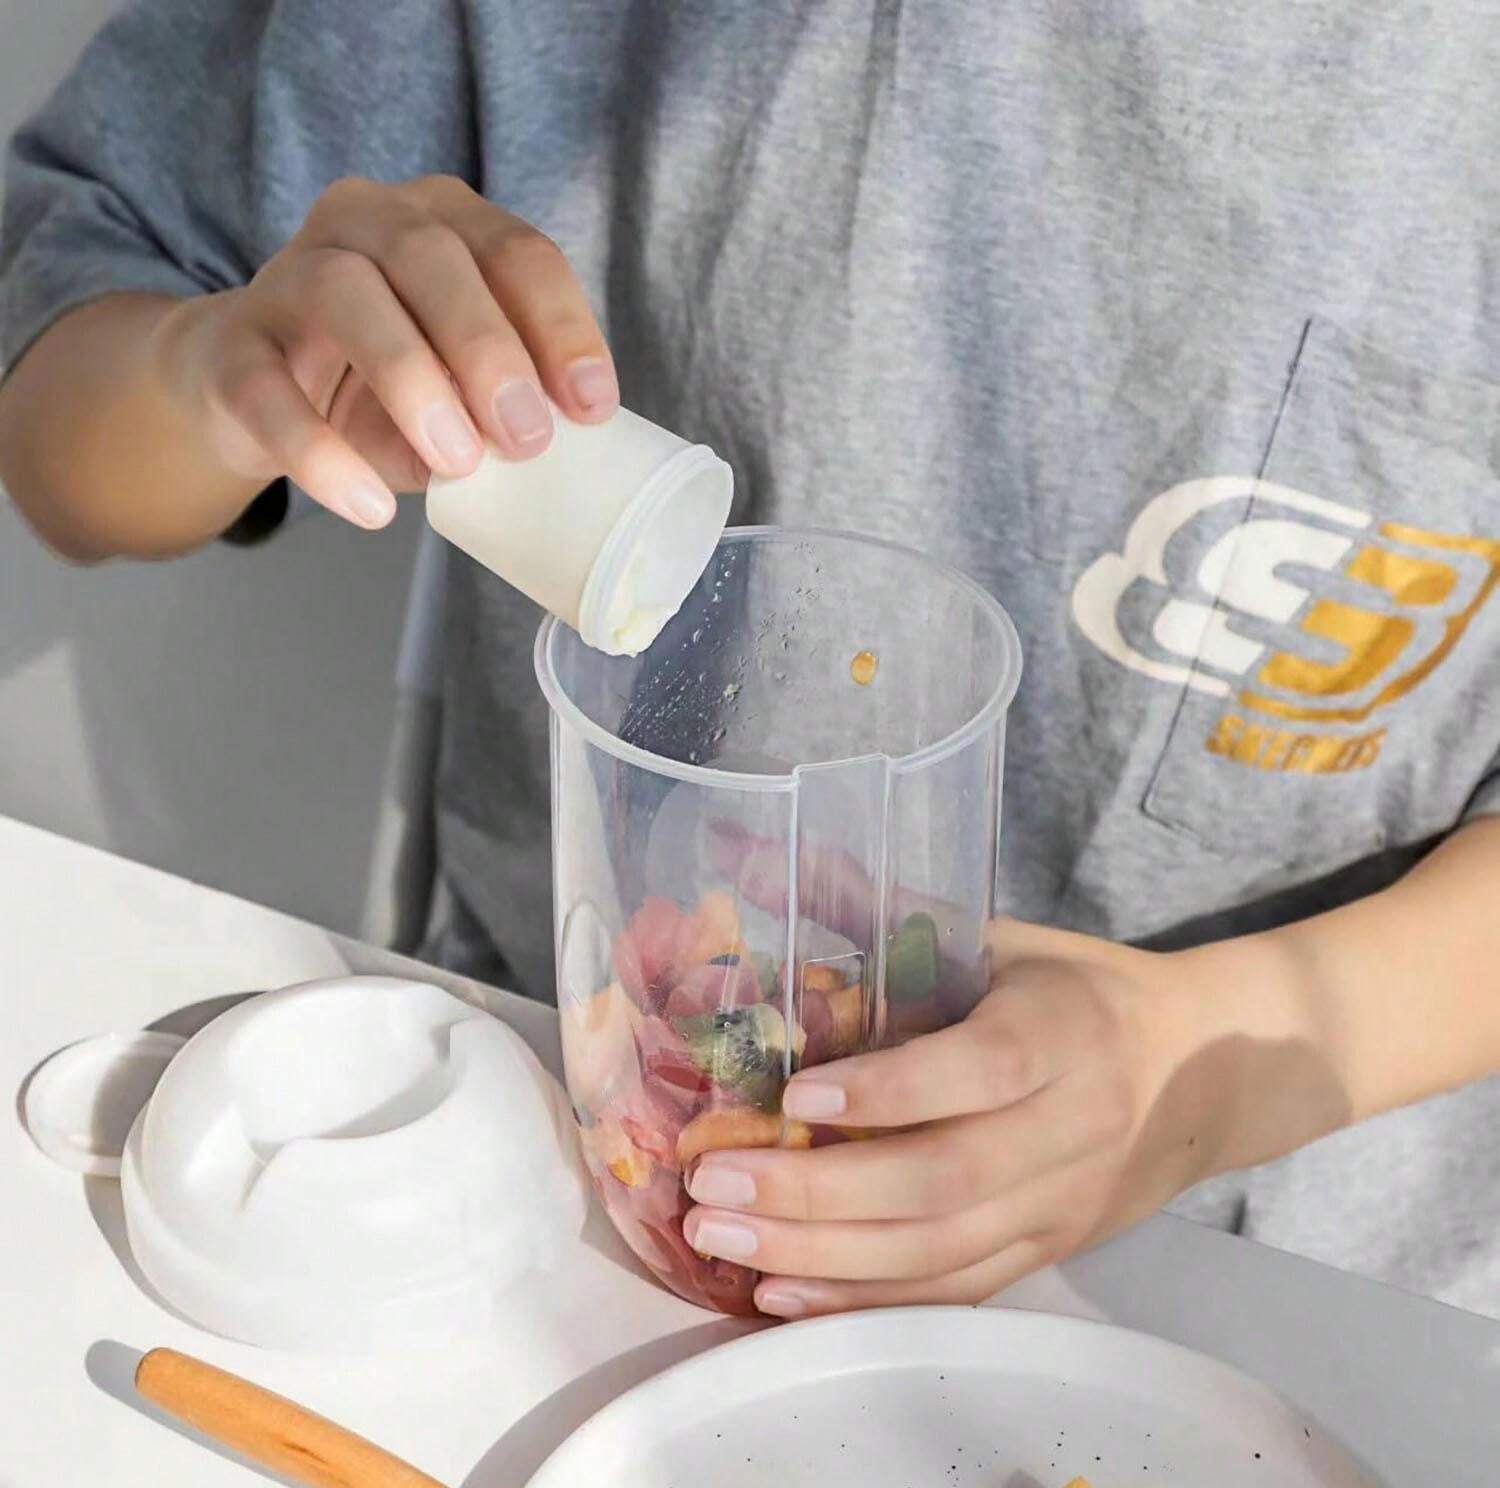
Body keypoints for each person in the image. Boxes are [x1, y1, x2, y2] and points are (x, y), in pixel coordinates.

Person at [3, 1, 1499, 1324]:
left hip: (1292, 1281)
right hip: (564, 1151)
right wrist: (217, 377)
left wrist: (1213, 1067)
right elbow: (59, 374)